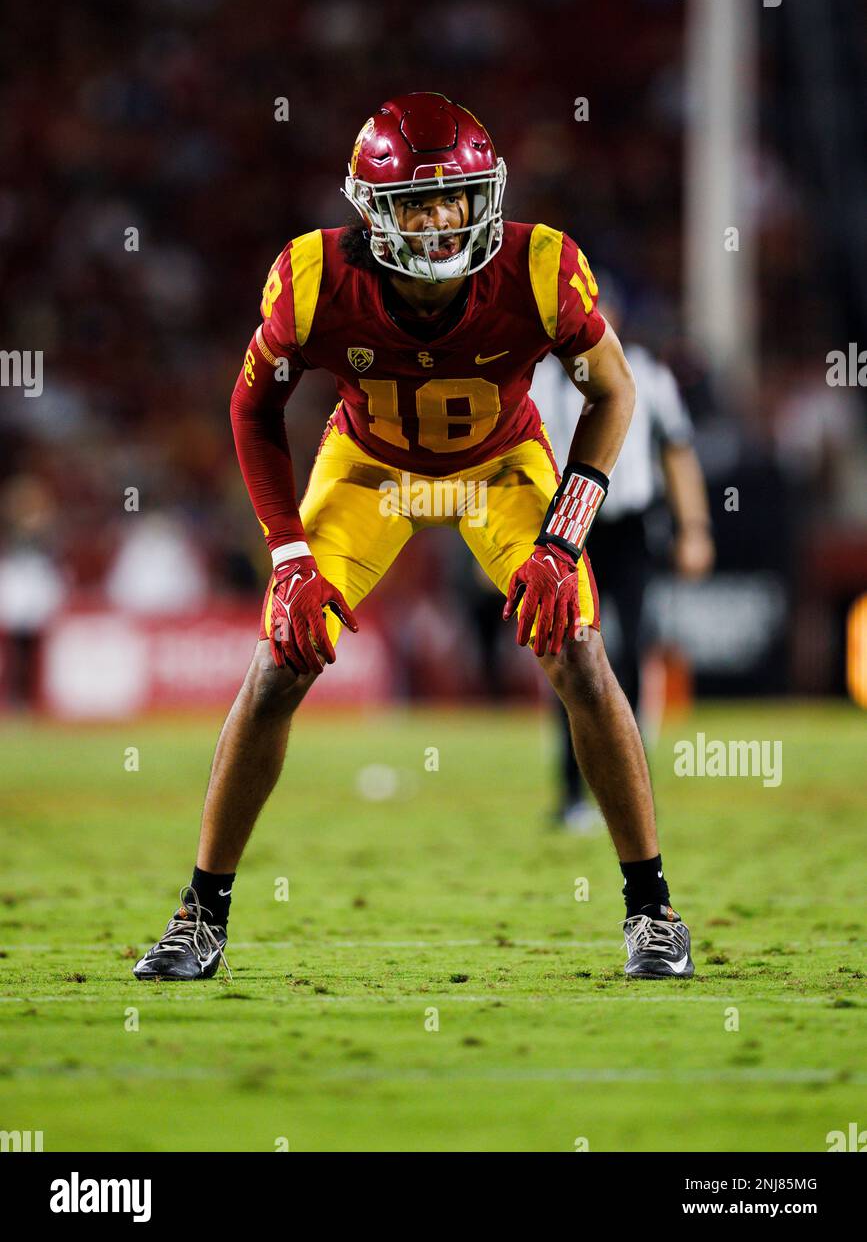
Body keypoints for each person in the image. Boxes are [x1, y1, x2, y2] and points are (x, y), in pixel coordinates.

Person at [133, 93, 694, 982]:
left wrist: (563, 536)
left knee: (581, 654)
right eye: (417, 204)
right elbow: (252, 406)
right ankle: (199, 915)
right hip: (370, 469)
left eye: (455, 198)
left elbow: (613, 393)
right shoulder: (314, 275)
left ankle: (652, 912)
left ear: (487, 194)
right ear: (371, 210)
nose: (439, 220)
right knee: (279, 662)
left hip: (501, 466)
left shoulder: (541, 264)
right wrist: (286, 557)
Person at [532, 279, 715, 829]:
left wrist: (695, 528)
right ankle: (570, 793)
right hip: (567, 530)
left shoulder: (648, 378)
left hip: (629, 527)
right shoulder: (540, 380)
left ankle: (631, 787)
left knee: (630, 650)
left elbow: (678, 456)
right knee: (564, 653)